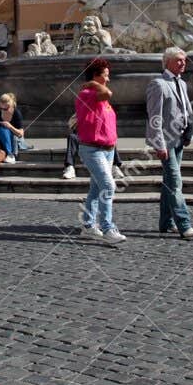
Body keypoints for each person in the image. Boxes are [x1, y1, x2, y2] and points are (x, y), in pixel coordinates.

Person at [145, 46, 193, 240]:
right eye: (178, 60)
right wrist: (159, 144)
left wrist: (189, 133)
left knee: (169, 182)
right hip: (166, 142)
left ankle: (165, 223)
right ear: (167, 62)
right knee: (176, 183)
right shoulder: (158, 84)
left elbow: (186, 110)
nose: (183, 63)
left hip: (180, 140)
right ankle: (184, 224)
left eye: (184, 60)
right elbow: (155, 117)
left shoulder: (182, 83)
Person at [75, 58, 123, 245]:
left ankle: (87, 226)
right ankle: (107, 228)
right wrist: (94, 83)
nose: (108, 79)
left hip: (107, 150)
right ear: (95, 76)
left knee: (96, 189)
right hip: (92, 149)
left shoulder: (98, 97)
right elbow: (108, 93)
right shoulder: (87, 93)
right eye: (105, 75)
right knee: (108, 187)